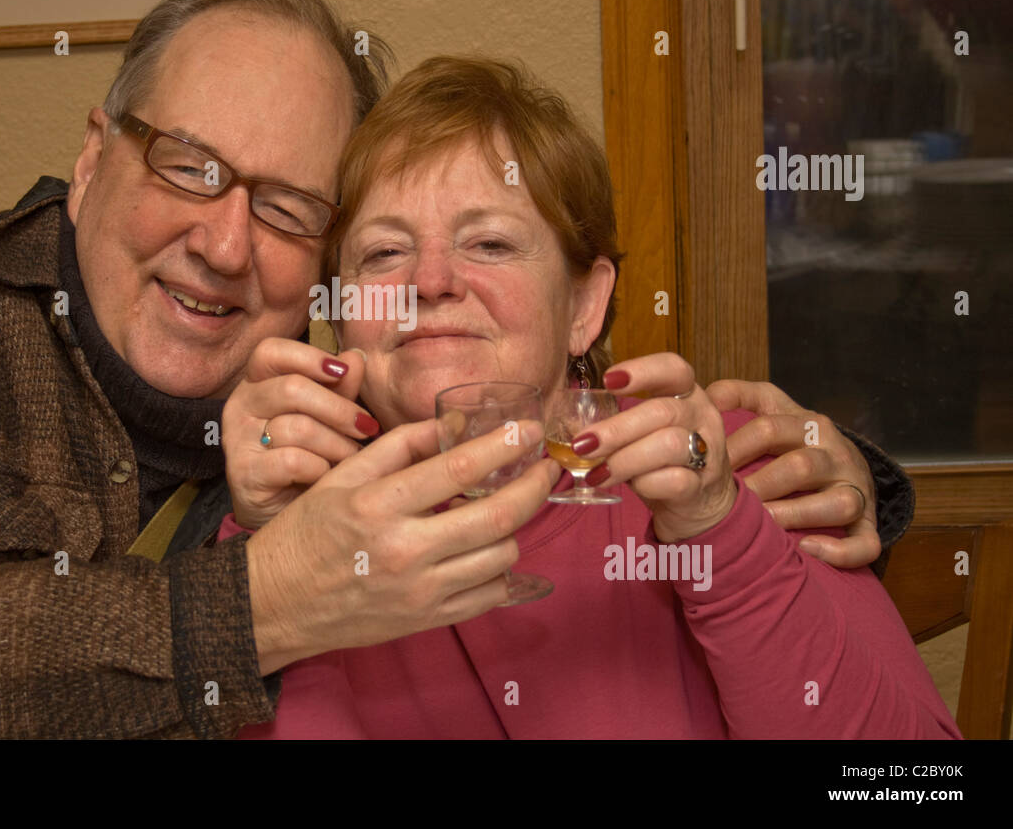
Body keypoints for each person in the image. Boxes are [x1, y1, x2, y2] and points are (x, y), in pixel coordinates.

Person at [0, 0, 909, 739]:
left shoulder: (349, 402)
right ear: (89, 162)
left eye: (288, 207)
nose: (224, 242)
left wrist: (820, 468)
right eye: (187, 165)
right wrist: (259, 600)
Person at [218, 55, 959, 738]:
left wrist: (722, 538)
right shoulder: (293, 521)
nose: (432, 281)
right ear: (340, 310)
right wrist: (272, 555)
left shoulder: (738, 464)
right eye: (384, 252)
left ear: (584, 305)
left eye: (491, 244)